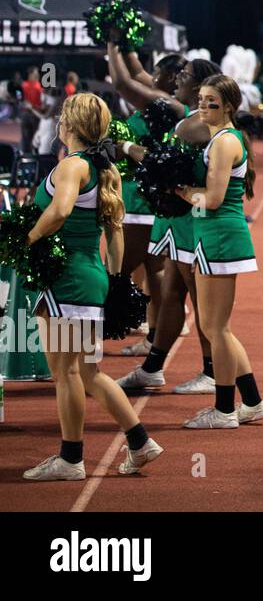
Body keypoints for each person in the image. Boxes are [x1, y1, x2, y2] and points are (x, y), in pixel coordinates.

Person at [21, 93, 164, 480]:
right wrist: (115, 281)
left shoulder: (72, 166)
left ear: (70, 125)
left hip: (66, 278)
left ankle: (71, 459)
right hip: (90, 275)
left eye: (63, 118)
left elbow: (60, 210)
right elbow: (115, 234)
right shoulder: (105, 168)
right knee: (89, 373)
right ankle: (140, 441)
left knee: (65, 374)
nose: (58, 123)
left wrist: (27, 239)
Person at [116, 55, 222, 396]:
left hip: (194, 220)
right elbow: (139, 77)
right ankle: (152, 367)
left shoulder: (195, 123)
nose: (178, 78)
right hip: (178, 219)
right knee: (173, 291)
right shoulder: (191, 117)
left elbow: (163, 162)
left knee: (200, 299)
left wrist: (127, 147)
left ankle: (215, 373)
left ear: (201, 85)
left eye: (185, 75)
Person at [173, 75, 263, 429]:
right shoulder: (218, 139)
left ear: (228, 105)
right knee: (216, 327)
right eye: (200, 99)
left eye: (210, 101)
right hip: (210, 236)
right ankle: (253, 402)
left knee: (216, 328)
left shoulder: (225, 142)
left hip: (221, 238)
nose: (202, 106)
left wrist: (180, 190)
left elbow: (211, 200)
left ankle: (225, 409)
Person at [103, 49, 184, 361]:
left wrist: (111, 45)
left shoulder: (166, 106)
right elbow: (136, 75)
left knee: (116, 270)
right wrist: (124, 42)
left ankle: (88, 341)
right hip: (147, 198)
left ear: (173, 78)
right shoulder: (164, 102)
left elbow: (124, 81)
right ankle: (153, 341)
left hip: (141, 200)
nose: (152, 77)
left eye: (159, 73)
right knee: (155, 271)